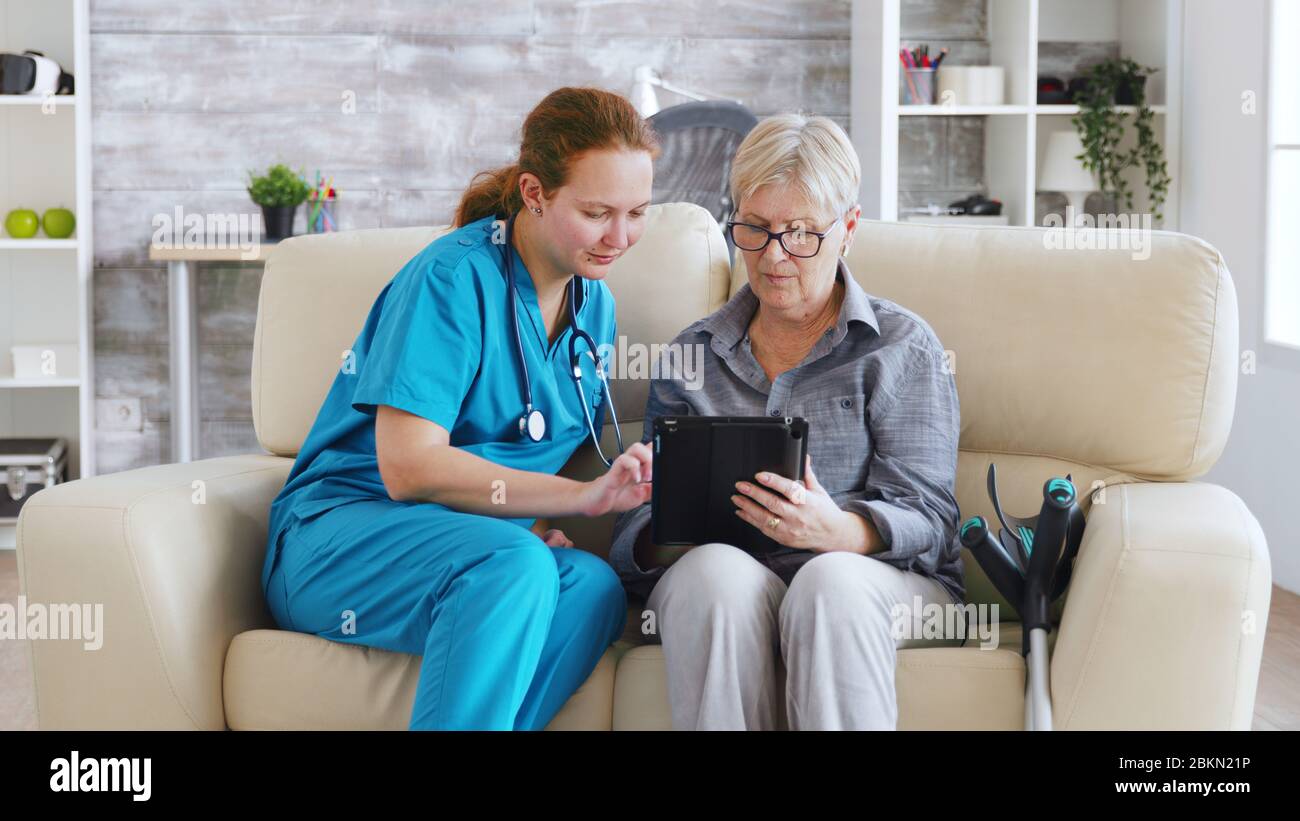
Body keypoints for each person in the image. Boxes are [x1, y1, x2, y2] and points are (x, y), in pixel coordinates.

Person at [261, 87, 659, 730]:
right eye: (596, 212)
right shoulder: (451, 280)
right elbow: (408, 470)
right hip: (341, 537)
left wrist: (521, 523)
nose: (620, 236)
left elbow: (504, 451)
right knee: (514, 563)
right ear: (535, 193)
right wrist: (574, 498)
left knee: (591, 588)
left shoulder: (597, 309)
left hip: (462, 544)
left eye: (638, 211)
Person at [608, 113, 964, 730]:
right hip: (732, 582)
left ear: (847, 229)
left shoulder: (903, 348)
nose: (774, 256)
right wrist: (651, 512)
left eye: (800, 233)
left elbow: (931, 520)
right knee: (713, 576)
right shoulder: (690, 357)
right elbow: (632, 540)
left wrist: (842, 532)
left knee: (829, 585)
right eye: (756, 229)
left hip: (873, 582)